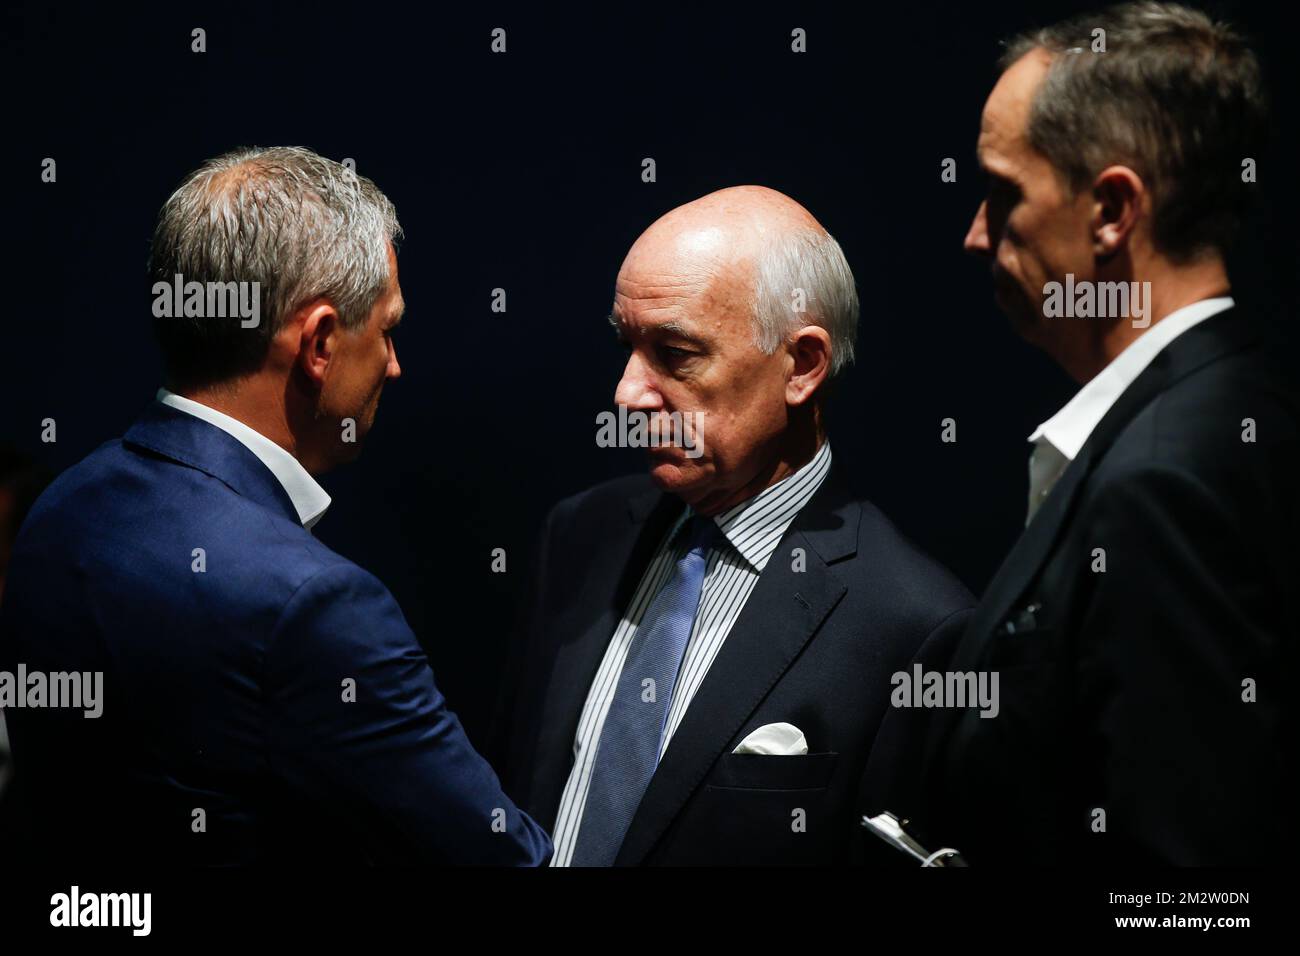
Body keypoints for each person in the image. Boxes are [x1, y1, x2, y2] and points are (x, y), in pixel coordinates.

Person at [0, 147, 551, 865]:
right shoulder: (314, 605)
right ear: (320, 341)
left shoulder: (56, 512)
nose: (394, 364)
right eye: (387, 329)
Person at [900, 2, 1297, 865]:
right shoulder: (1234, 412)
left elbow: (1192, 896)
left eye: (1004, 194)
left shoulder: (1165, 480)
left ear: (1113, 210)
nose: (974, 235)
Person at [496, 185, 974, 866]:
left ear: (802, 365)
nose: (628, 393)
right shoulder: (578, 536)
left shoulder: (915, 626)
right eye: (627, 345)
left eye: (676, 354)